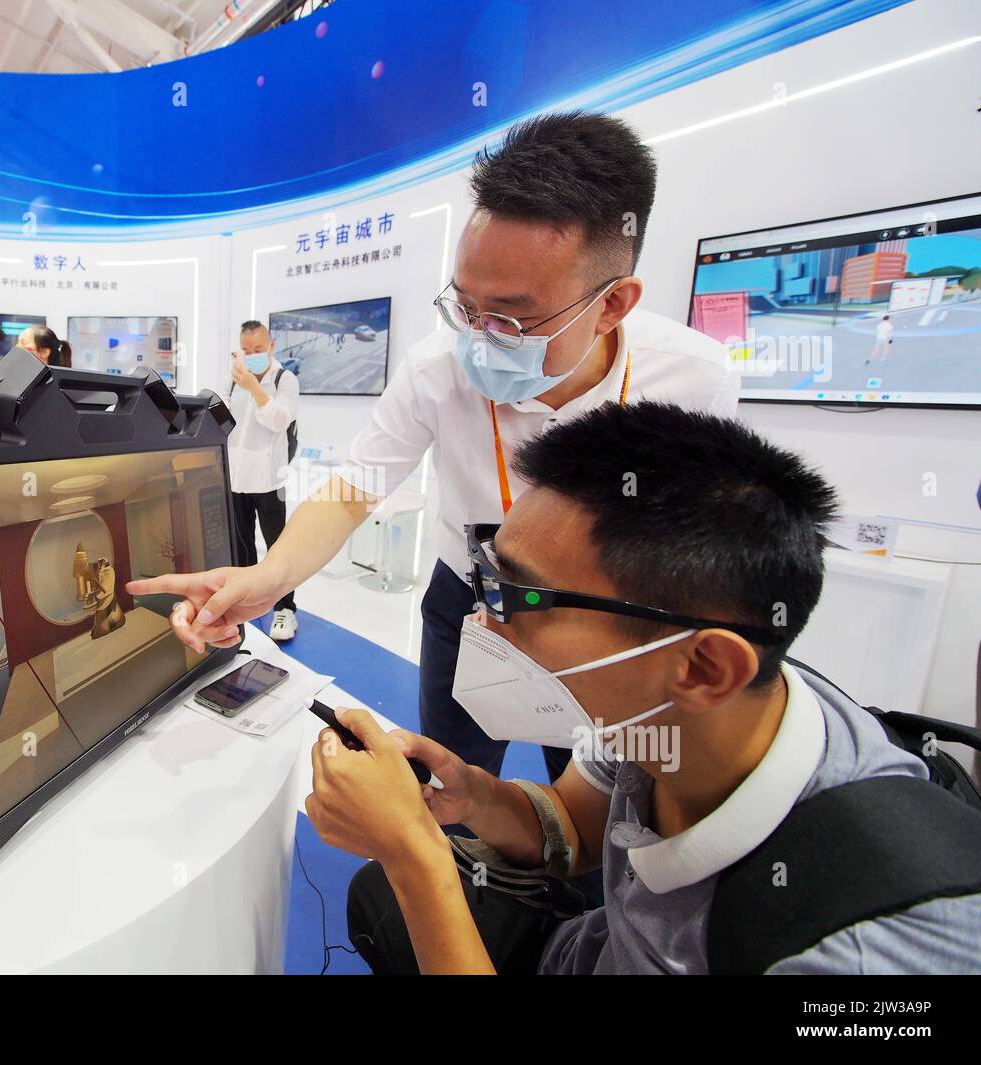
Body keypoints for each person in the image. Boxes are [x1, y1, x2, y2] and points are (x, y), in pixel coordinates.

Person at [127, 111, 738, 782]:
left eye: (509, 316)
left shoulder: (691, 382)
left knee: (604, 801)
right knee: (451, 781)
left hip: (604, 617)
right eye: (464, 305)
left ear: (614, 303)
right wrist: (267, 580)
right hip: (471, 598)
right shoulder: (436, 366)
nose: (478, 336)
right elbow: (353, 490)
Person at [305, 402, 981, 975]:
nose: (482, 620)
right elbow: (572, 824)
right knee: (379, 897)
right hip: (593, 949)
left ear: (704, 667)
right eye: (489, 575)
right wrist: (477, 796)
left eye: (521, 596)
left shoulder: (859, 951)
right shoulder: (658, 717)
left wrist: (413, 854)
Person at [224, 321, 301, 641]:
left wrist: (254, 389)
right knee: (241, 546)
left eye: (259, 349)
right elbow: (228, 421)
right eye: (247, 350)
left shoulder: (285, 379)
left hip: (270, 479)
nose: (253, 356)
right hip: (237, 478)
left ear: (271, 345)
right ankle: (248, 601)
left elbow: (280, 420)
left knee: (277, 549)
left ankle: (285, 610)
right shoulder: (234, 381)